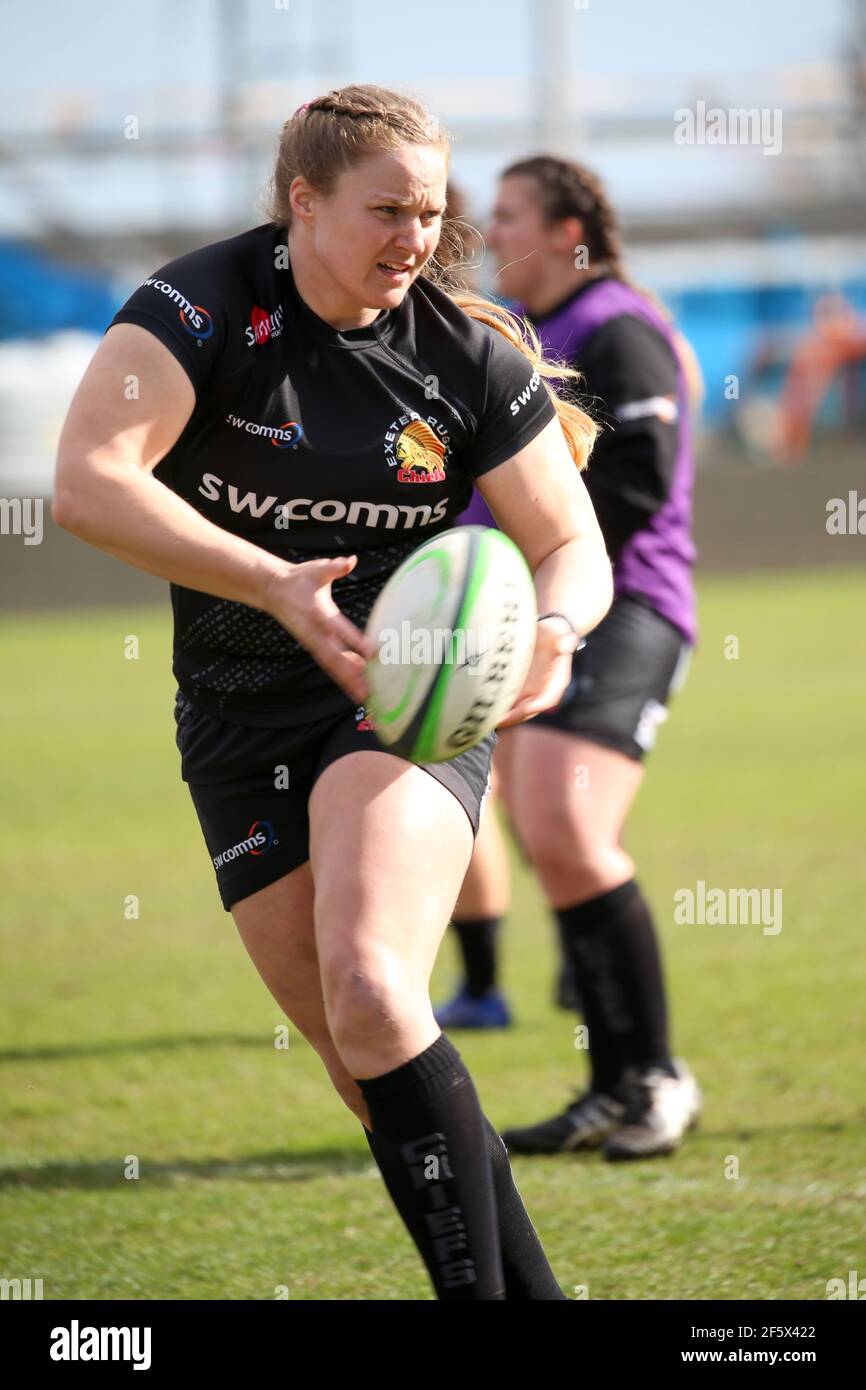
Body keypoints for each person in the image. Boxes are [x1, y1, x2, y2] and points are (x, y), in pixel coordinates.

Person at [52, 88, 613, 1299]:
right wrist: (273, 586)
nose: (415, 236)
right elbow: (89, 483)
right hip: (232, 713)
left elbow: (572, 542)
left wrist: (558, 626)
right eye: (387, 209)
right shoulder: (199, 307)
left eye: (430, 211)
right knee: (364, 1066)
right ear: (302, 203)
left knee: (370, 982)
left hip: (405, 695)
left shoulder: (460, 353)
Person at [438, 155, 702, 1160]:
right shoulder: (536, 336)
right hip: (548, 608)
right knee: (541, 823)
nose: (488, 231)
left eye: (505, 215)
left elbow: (635, 483)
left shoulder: (615, 327)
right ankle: (610, 1085)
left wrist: (518, 562)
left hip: (625, 606)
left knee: (558, 818)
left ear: (565, 232)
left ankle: (652, 1077)